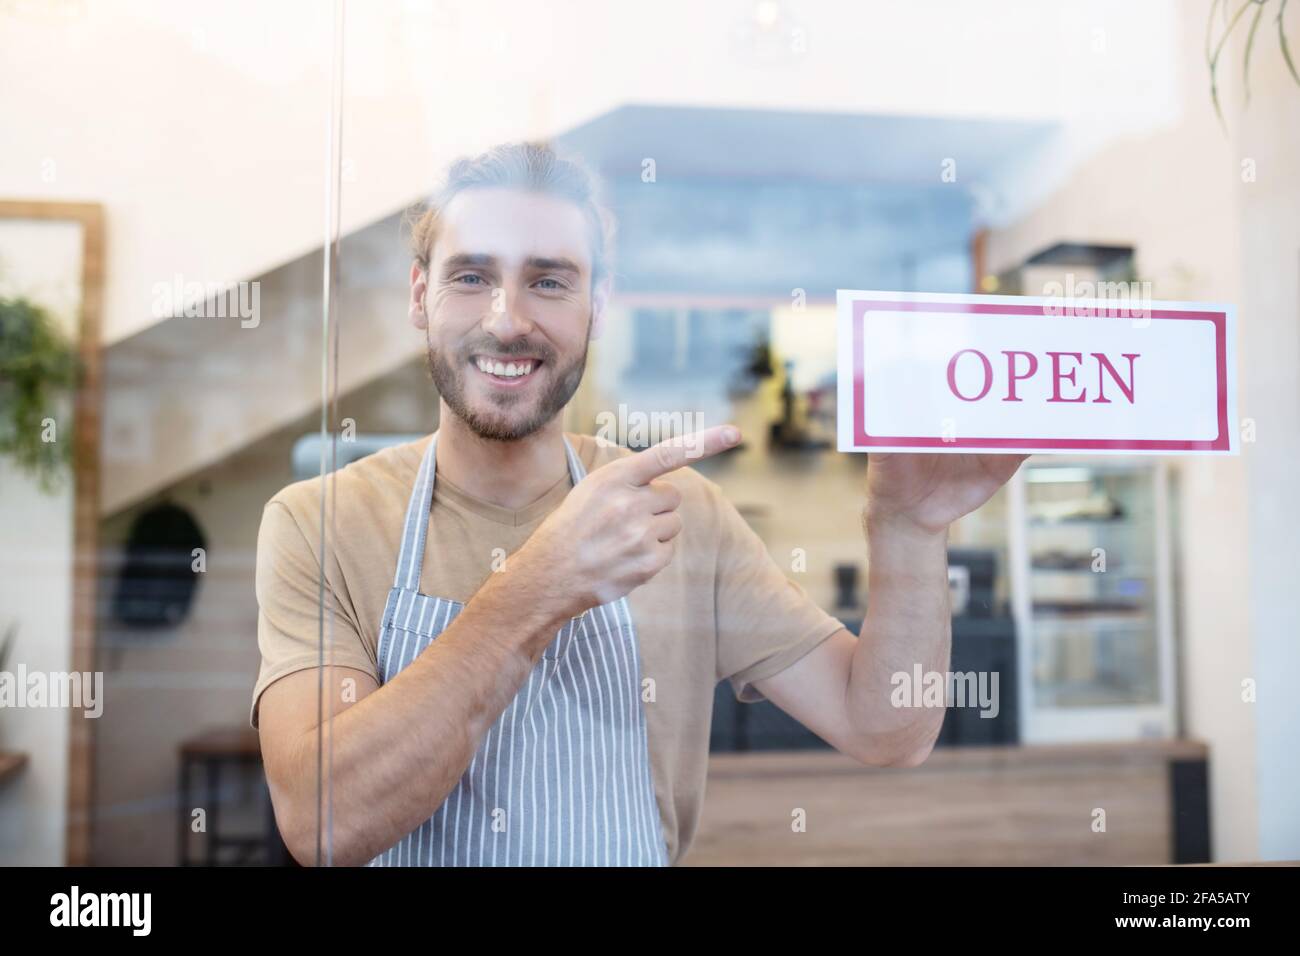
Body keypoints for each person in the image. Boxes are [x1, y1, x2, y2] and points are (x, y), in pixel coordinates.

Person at [251, 142, 1024, 867]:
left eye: (549, 280)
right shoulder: (319, 523)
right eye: (472, 276)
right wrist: (540, 584)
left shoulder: (684, 514)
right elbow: (324, 823)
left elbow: (885, 727)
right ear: (421, 295)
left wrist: (909, 528)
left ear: (599, 303)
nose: (507, 318)